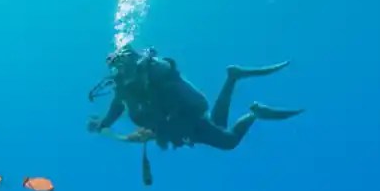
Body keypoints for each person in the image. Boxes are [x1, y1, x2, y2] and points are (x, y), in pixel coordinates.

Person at [87, 44, 302, 150]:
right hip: (185, 122)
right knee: (219, 125)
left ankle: (254, 112)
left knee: (229, 142)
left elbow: (119, 110)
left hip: (186, 121)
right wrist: (102, 124)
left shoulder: (138, 83)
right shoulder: (126, 88)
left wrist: (103, 125)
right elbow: (115, 111)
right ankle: (233, 77)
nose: (121, 73)